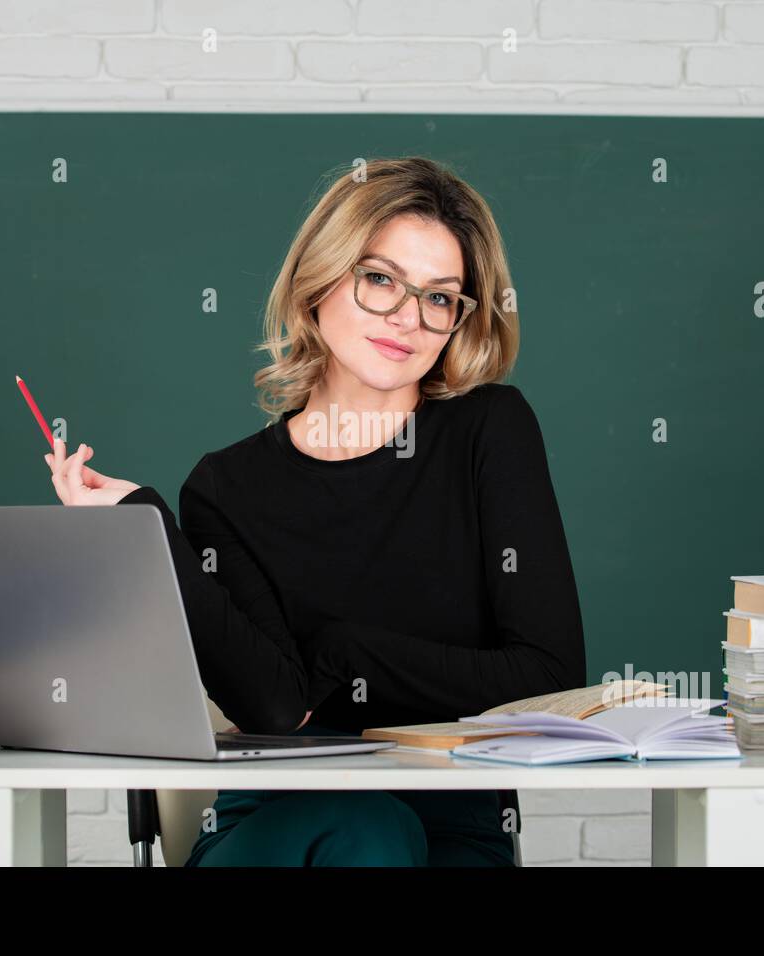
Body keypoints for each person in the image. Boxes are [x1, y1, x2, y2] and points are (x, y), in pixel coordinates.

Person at [45, 156, 586, 866]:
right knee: (367, 834)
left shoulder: (490, 431)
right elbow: (275, 710)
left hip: (456, 824)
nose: (407, 318)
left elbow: (548, 675)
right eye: (380, 279)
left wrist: (340, 654)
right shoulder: (226, 487)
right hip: (280, 822)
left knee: (397, 838)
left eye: (439, 298)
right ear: (320, 281)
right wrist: (144, 522)